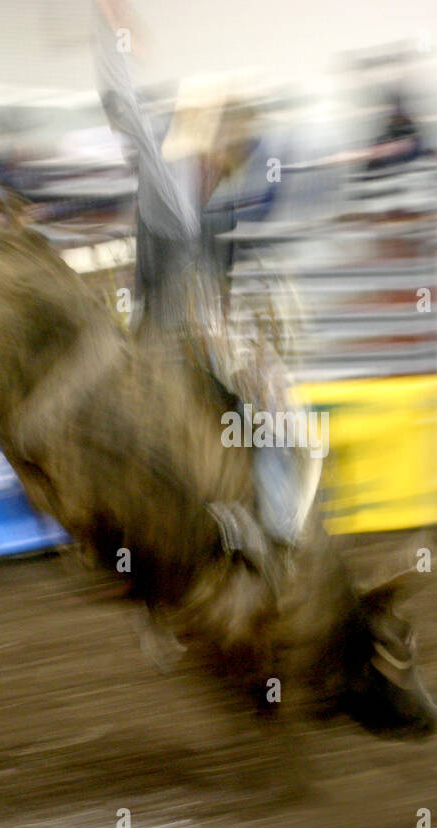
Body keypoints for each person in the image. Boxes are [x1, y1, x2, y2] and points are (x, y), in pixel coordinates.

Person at [90, 0, 319, 556]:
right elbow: (121, 104)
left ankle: (265, 521)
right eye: (232, 134)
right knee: (275, 408)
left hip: (184, 323)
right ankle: (280, 529)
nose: (235, 148)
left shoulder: (216, 196)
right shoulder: (174, 182)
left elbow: (213, 281)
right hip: (176, 331)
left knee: (273, 406)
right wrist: (110, 32)